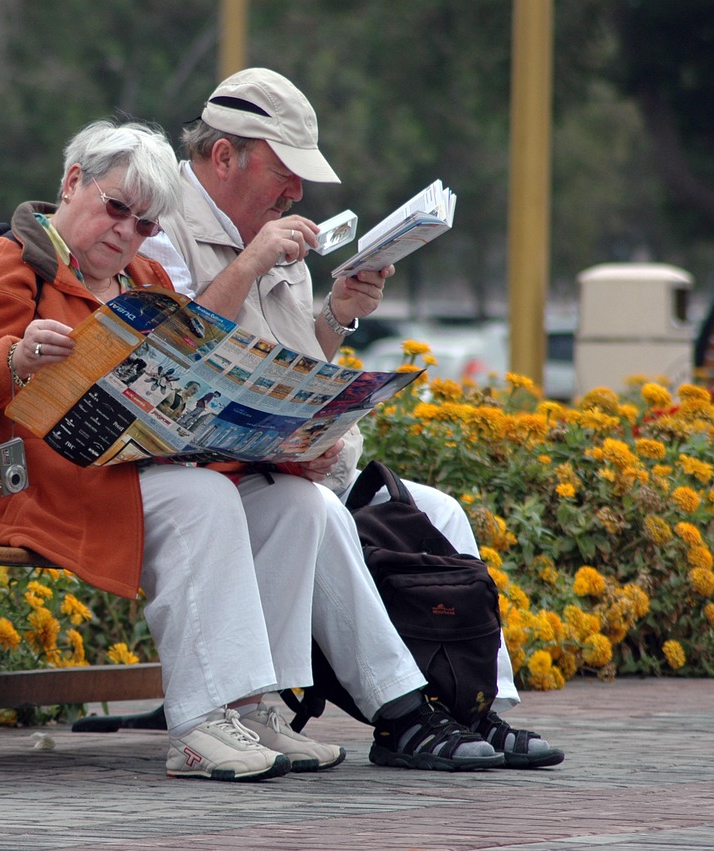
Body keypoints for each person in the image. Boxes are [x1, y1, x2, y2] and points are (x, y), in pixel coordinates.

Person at [0, 118, 507, 782]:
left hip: (126, 467)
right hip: (29, 477)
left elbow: (193, 403)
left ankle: (256, 712)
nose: (125, 231)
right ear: (72, 182)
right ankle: (200, 723)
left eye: (143, 223)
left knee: (295, 502)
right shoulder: (11, 262)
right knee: (202, 499)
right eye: (116, 207)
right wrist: (12, 359)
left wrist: (288, 452)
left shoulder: (140, 275)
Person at [140, 67, 563, 770]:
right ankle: (402, 714)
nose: (296, 192)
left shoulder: (273, 238)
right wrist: (250, 262)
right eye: (285, 171)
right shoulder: (166, 228)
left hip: (293, 465)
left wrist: (336, 311)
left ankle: (475, 708)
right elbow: (178, 364)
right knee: (314, 510)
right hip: (228, 476)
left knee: (442, 512)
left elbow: (298, 368)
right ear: (224, 157)